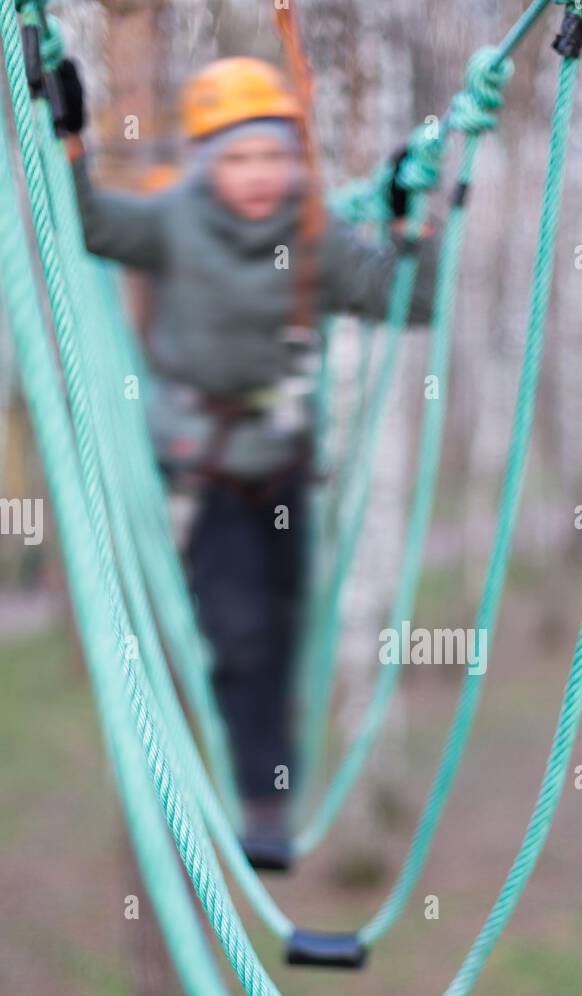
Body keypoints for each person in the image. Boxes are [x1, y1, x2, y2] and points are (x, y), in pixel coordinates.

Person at [58, 55, 438, 871]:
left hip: (286, 471)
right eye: (236, 157)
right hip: (205, 474)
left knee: (285, 631)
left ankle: (273, 786)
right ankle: (258, 805)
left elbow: (412, 302)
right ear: (204, 165)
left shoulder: (314, 235)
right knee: (239, 636)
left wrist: (409, 226)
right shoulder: (171, 222)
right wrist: (69, 142)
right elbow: (85, 225)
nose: (259, 174)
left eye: (273, 155)